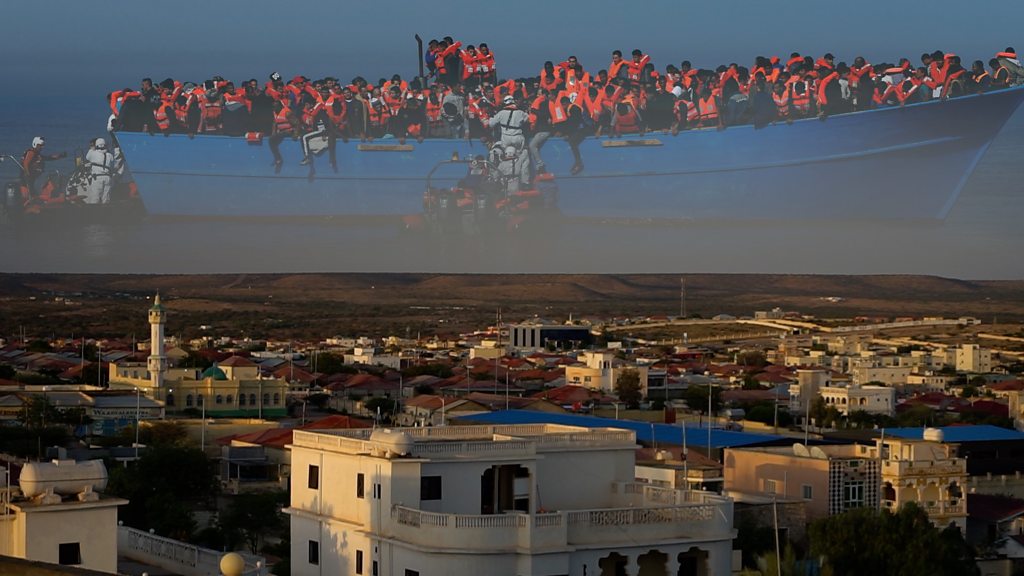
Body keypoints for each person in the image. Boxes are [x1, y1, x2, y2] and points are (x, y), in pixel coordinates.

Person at [20, 137, 66, 202]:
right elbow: (25, 163)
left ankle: (53, 195)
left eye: (42, 145)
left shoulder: (37, 154)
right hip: (32, 178)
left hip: (35, 177)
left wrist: (60, 156)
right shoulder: (31, 153)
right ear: (35, 144)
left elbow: (48, 158)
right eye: (40, 145)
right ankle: (54, 195)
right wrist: (28, 175)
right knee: (52, 177)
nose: (41, 147)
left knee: (53, 176)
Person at [83, 138, 113, 204]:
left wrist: (92, 148)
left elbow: (87, 157)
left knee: (95, 198)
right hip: (108, 178)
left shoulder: (93, 153)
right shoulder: (109, 155)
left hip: (97, 178)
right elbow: (111, 158)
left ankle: (94, 213)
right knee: (106, 199)